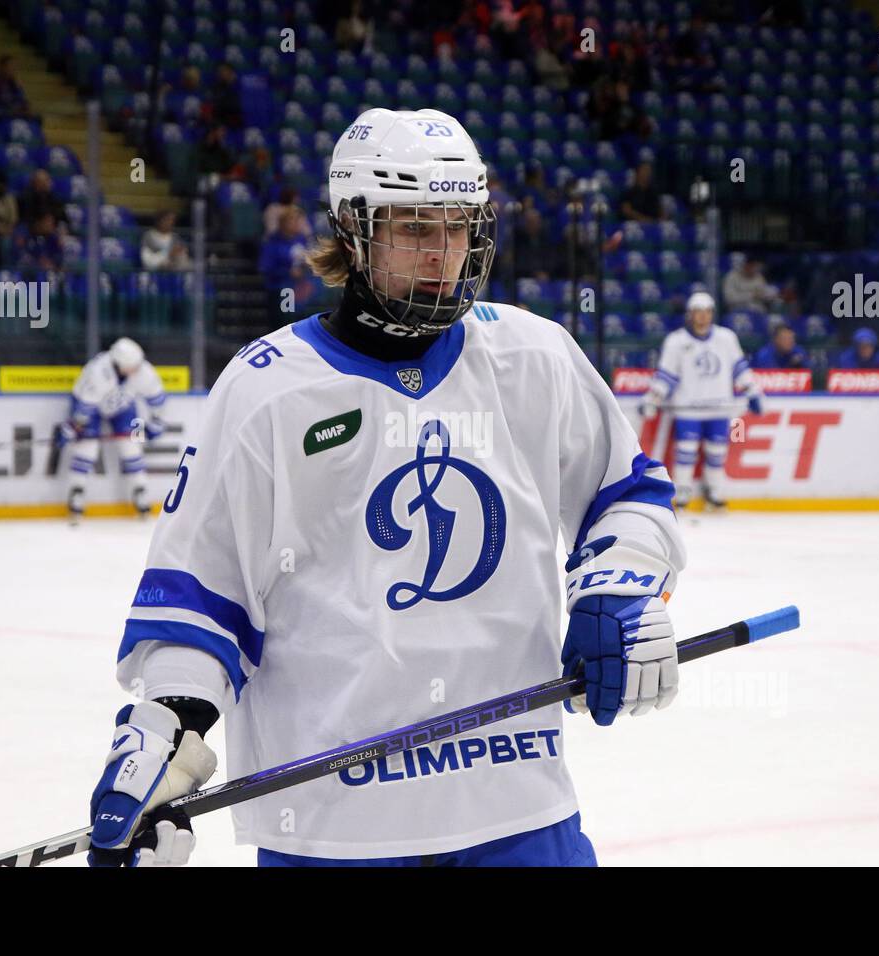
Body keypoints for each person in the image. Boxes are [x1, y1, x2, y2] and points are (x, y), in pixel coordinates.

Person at [88, 107, 688, 868]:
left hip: (521, 808)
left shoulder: (536, 358)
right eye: (414, 228)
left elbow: (630, 493)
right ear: (352, 229)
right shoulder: (266, 392)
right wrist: (166, 736)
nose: (443, 254)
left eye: (460, 226)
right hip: (332, 832)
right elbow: (202, 600)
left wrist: (620, 584)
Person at [639, 291, 764, 509]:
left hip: (719, 407)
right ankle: (683, 492)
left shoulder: (726, 338)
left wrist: (752, 391)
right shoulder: (676, 341)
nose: (703, 316)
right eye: (698, 312)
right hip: (688, 408)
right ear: (690, 314)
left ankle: (714, 491)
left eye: (707, 312)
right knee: (685, 451)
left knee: (717, 450)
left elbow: (739, 368)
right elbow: (667, 375)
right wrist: (653, 398)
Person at [54, 338, 167, 522]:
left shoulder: (143, 370)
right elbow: (84, 410)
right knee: (87, 449)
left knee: (132, 445)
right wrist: (73, 428)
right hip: (89, 407)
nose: (137, 369)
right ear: (118, 364)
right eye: (132, 366)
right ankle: (77, 493)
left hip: (123, 405)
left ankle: (140, 491)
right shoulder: (98, 372)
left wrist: (156, 422)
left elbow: (157, 399)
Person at [17, 170, 70, 234]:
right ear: (36, 183)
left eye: (49, 180)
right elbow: (25, 218)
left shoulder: (53, 197)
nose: (50, 183)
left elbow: (63, 217)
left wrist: (61, 226)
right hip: (33, 231)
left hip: (53, 231)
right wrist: (38, 224)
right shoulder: (26, 198)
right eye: (46, 181)